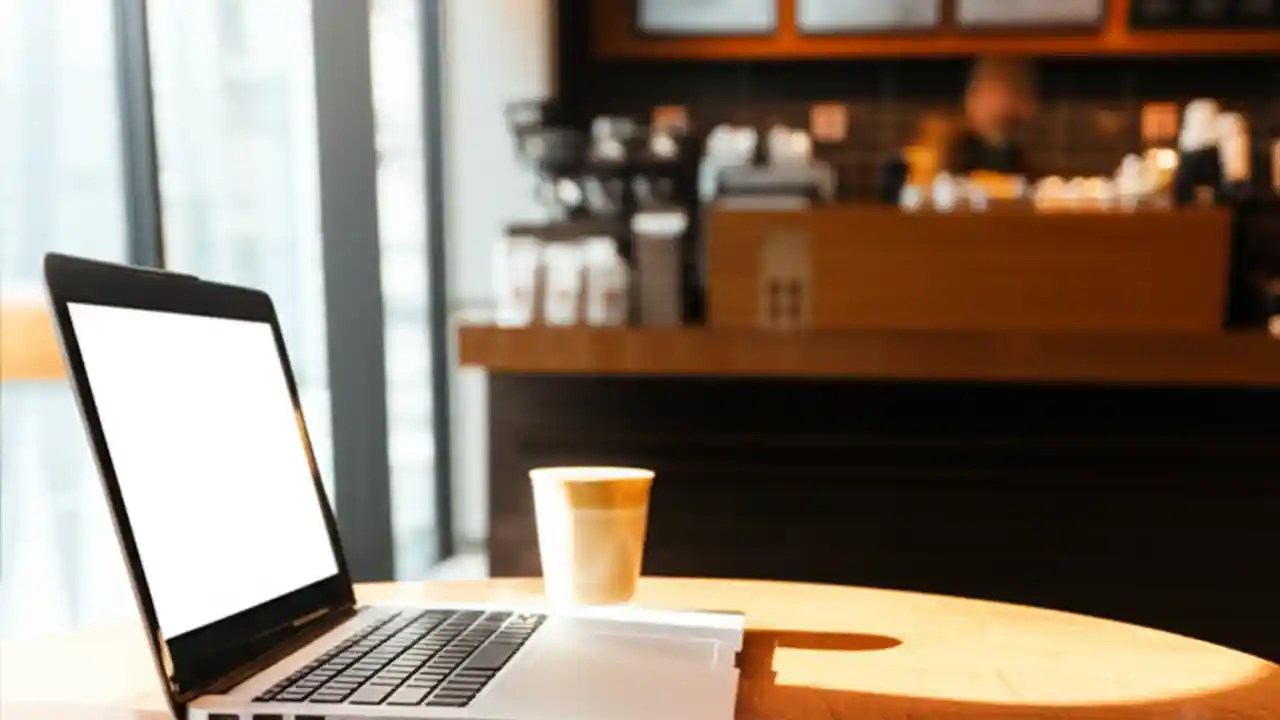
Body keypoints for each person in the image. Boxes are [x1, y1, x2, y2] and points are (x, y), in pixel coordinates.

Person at [945, 56, 1037, 176]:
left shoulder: (1033, 164)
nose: (1003, 103)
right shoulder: (950, 153)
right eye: (992, 89)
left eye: (1018, 90)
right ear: (970, 98)